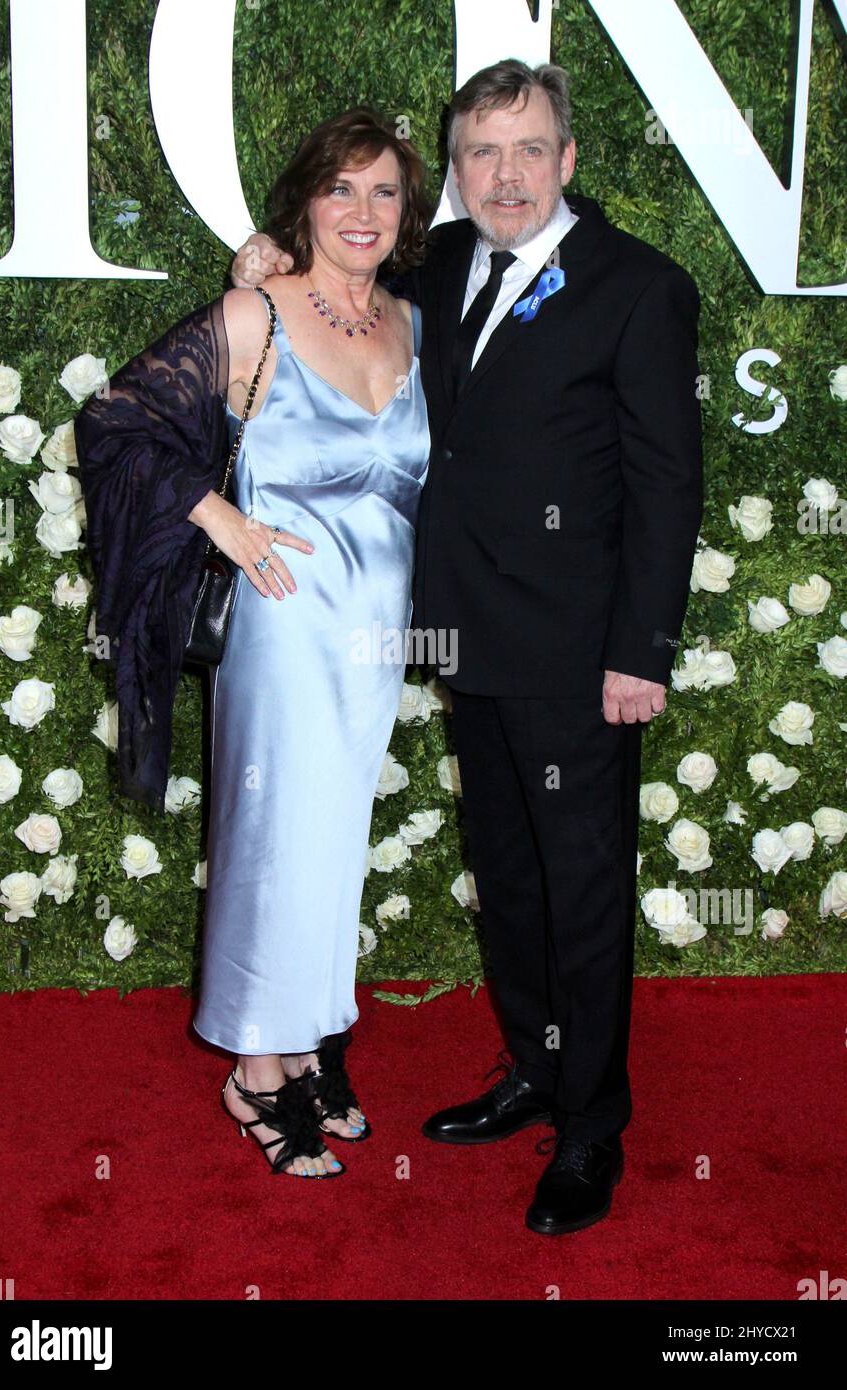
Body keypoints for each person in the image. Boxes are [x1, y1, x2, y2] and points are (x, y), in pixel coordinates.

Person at [231, 59, 704, 1228]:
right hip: (465, 643)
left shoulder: (641, 288)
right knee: (510, 881)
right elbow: (325, 279)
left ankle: (591, 1127)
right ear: (456, 170)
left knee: (584, 893)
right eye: (481, 153)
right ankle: (534, 1068)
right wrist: (260, 257)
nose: (505, 175)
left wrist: (640, 650)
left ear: (568, 161)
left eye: (528, 149)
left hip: (582, 654)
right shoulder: (435, 265)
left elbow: (666, 483)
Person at [75, 107, 431, 1180]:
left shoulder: (415, 324)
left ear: (407, 211)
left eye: (382, 192)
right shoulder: (254, 314)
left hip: (378, 633)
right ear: (304, 203)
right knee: (273, 838)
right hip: (282, 621)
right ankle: (255, 1071)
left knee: (330, 847)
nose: (361, 212)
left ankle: (309, 1039)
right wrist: (217, 517)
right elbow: (114, 422)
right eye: (341, 189)